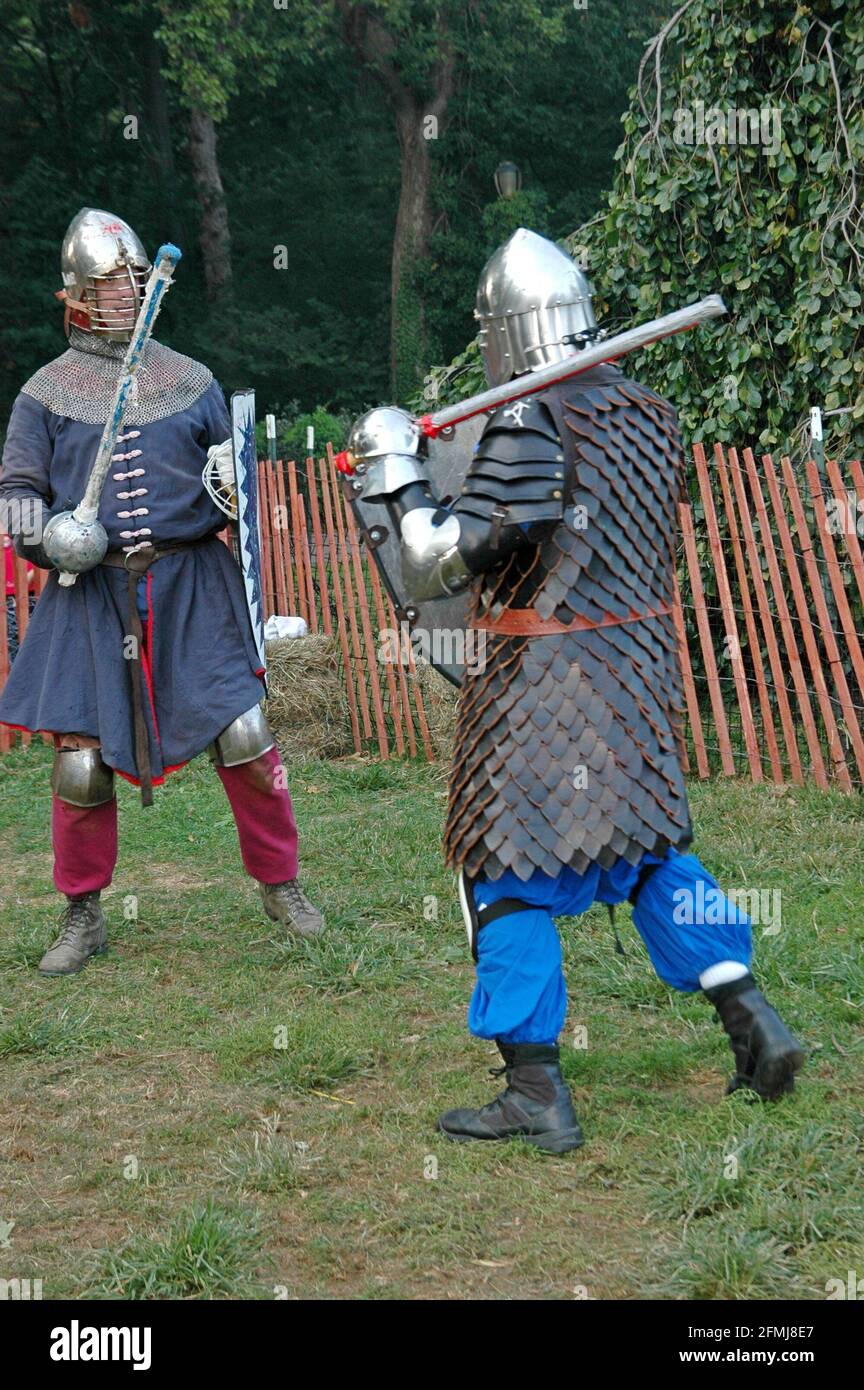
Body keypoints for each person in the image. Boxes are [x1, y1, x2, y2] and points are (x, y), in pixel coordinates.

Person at [343, 228, 805, 1153]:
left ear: (503, 336)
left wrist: (392, 464)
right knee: (647, 854)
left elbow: (436, 562)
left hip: (541, 684)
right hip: (633, 677)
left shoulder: (533, 423)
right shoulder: (645, 412)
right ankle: (755, 1018)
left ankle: (534, 1092)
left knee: (506, 874)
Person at [0, 207, 323, 976]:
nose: (124, 292)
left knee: (245, 736)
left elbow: (233, 472)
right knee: (79, 764)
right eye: (109, 281)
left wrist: (233, 500)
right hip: (90, 592)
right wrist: (48, 538)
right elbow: (15, 493)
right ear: (75, 295)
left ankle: (282, 885)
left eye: (133, 279)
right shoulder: (44, 393)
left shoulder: (192, 378)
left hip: (191, 584)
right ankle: (83, 914)